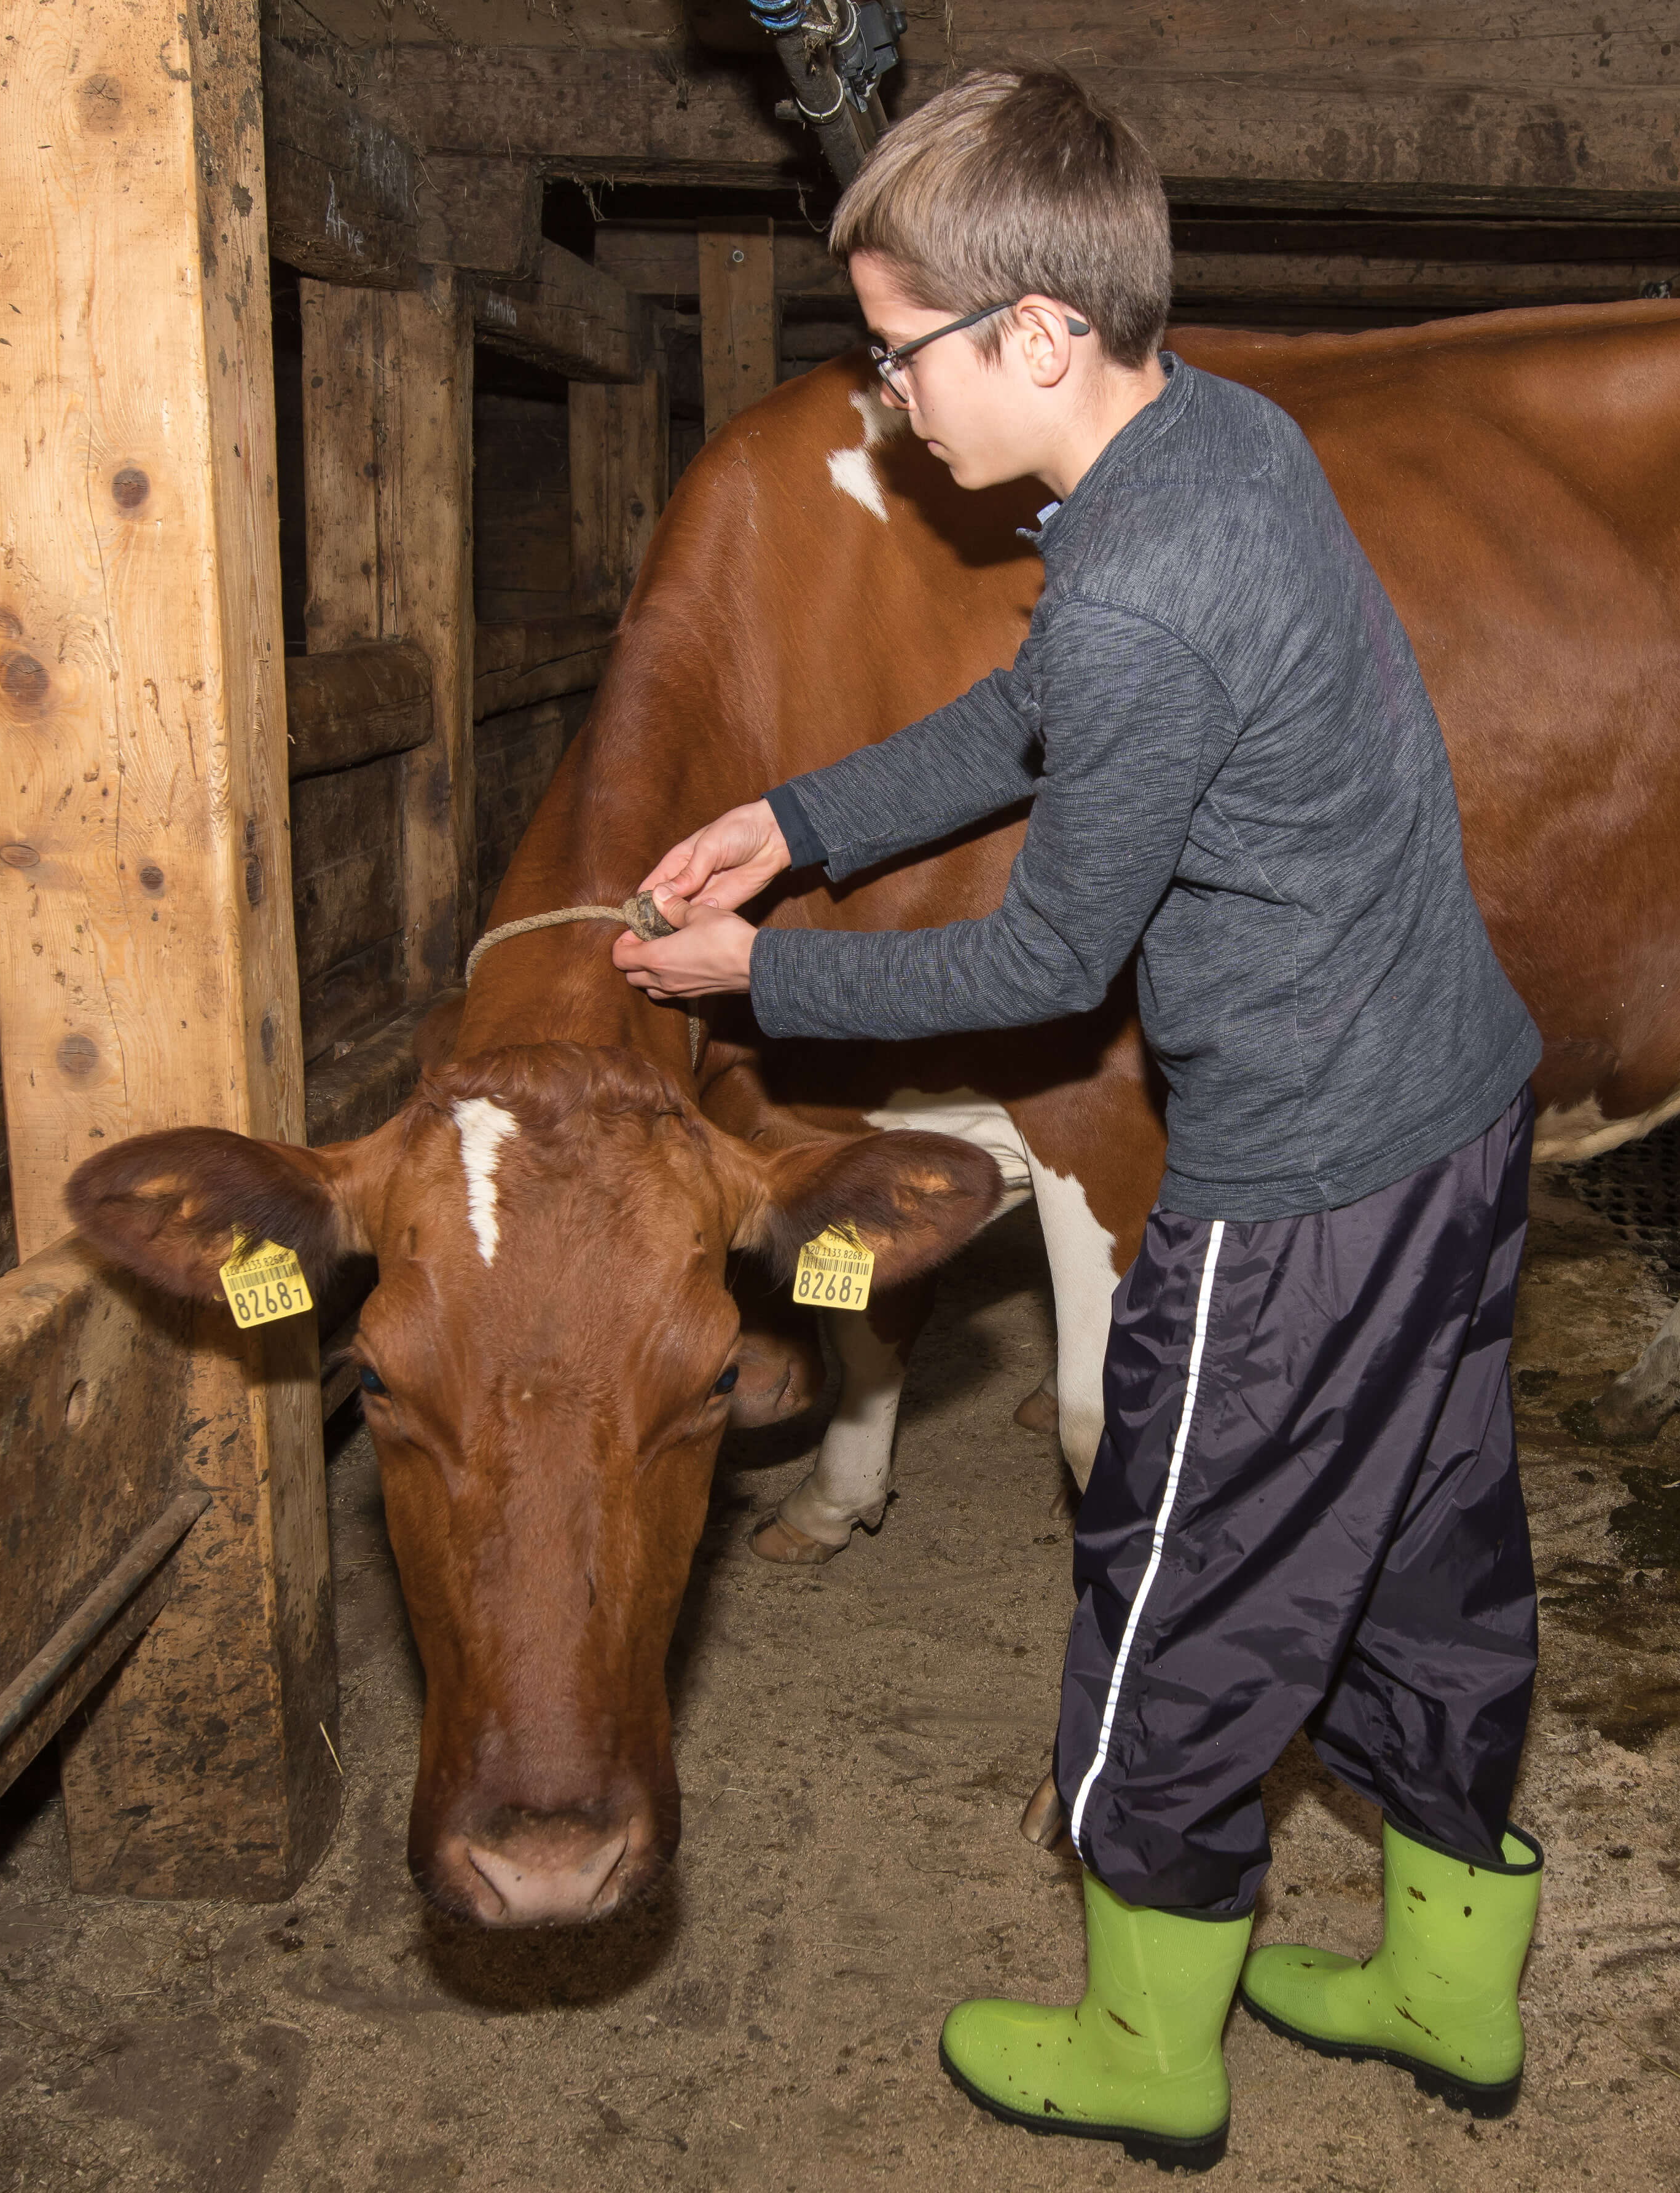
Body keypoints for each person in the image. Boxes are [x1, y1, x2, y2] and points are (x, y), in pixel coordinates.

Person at [612, 66, 1547, 2172]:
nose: (884, 402)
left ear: (1036, 332)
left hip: (1305, 1176)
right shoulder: (1213, 439)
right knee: (1423, 1552)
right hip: (1456, 1112)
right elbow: (1037, 712)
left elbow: (1040, 966)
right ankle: (1444, 1981)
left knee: (1180, 1584)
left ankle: (1147, 2043)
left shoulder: (1138, 587)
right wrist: (799, 816)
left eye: (897, 352)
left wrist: (763, 977)